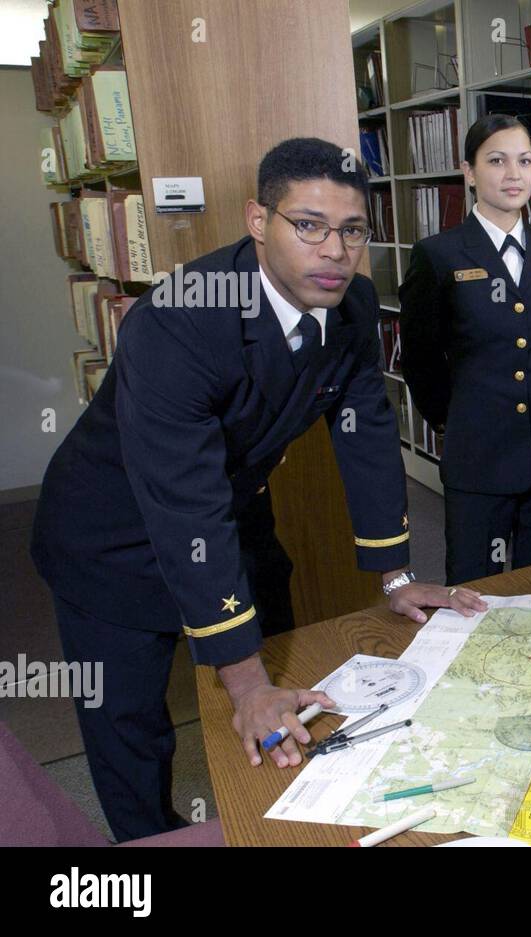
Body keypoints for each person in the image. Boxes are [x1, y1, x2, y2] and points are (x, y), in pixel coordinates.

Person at [30, 137, 487, 842]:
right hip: (109, 534)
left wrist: (397, 574)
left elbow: (364, 431)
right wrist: (242, 684)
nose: (335, 250)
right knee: (131, 721)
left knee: (280, 659)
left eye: (353, 229)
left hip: (233, 507)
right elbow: (186, 505)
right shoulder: (177, 320)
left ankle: (279, 811)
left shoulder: (355, 303)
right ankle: (149, 842)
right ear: (257, 220)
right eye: (308, 224)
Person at [400, 114, 531, 584]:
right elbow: (420, 358)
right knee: (473, 589)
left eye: (524, 161)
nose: (514, 174)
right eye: (497, 161)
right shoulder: (439, 254)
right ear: (468, 172)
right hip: (477, 452)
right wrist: (455, 419)